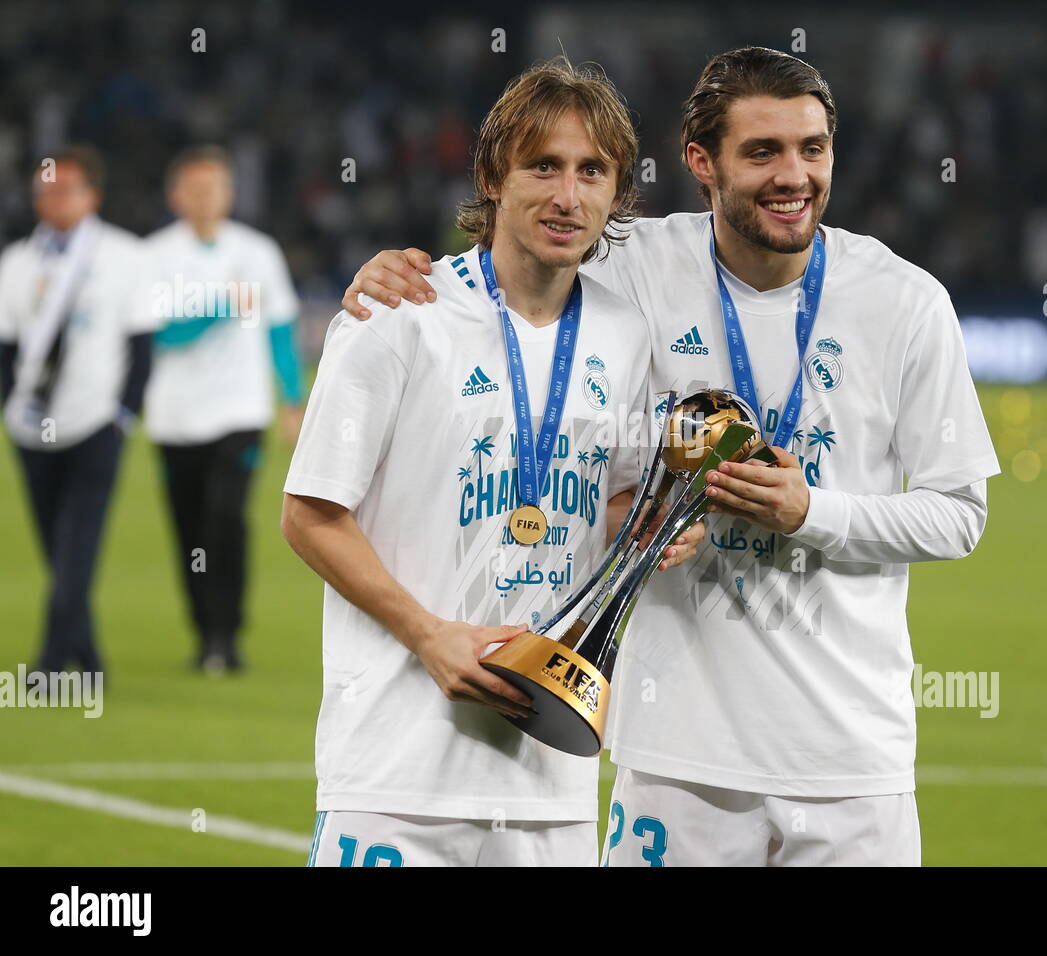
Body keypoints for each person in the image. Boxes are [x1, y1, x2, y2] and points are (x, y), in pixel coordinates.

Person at [343, 47, 1002, 866]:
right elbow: (514, 247)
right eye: (762, 152)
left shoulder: (905, 301)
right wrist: (399, 271)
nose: (792, 175)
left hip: (851, 764)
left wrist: (812, 512)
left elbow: (961, 513)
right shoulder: (630, 264)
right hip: (674, 760)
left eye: (812, 148)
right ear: (701, 161)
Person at [282, 58, 703, 867]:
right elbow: (308, 515)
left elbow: (608, 503)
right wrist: (430, 636)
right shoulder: (398, 315)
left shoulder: (626, 334)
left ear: (616, 191)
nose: (567, 195)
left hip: (552, 778)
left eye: (592, 172)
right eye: (542, 165)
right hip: (396, 776)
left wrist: (652, 528)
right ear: (491, 176)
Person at [143, 145, 304, 674]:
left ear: (229, 194)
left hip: (238, 411)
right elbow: (157, 334)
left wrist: (290, 399)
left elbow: (280, 329)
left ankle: (226, 635)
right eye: (194, 188)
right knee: (187, 527)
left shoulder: (258, 253)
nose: (205, 198)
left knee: (224, 520)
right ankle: (202, 630)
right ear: (175, 197)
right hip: (174, 415)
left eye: (213, 188)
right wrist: (222, 306)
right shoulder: (154, 257)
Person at [0, 145, 156, 682]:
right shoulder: (17, 262)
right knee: (56, 551)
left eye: (67, 188)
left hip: (95, 425)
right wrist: (10, 410)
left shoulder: (126, 257)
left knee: (77, 549)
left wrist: (122, 417)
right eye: (45, 190)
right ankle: (88, 659)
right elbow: (6, 348)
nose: (55, 199)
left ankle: (50, 668)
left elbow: (141, 349)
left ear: (93, 195)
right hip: (29, 426)